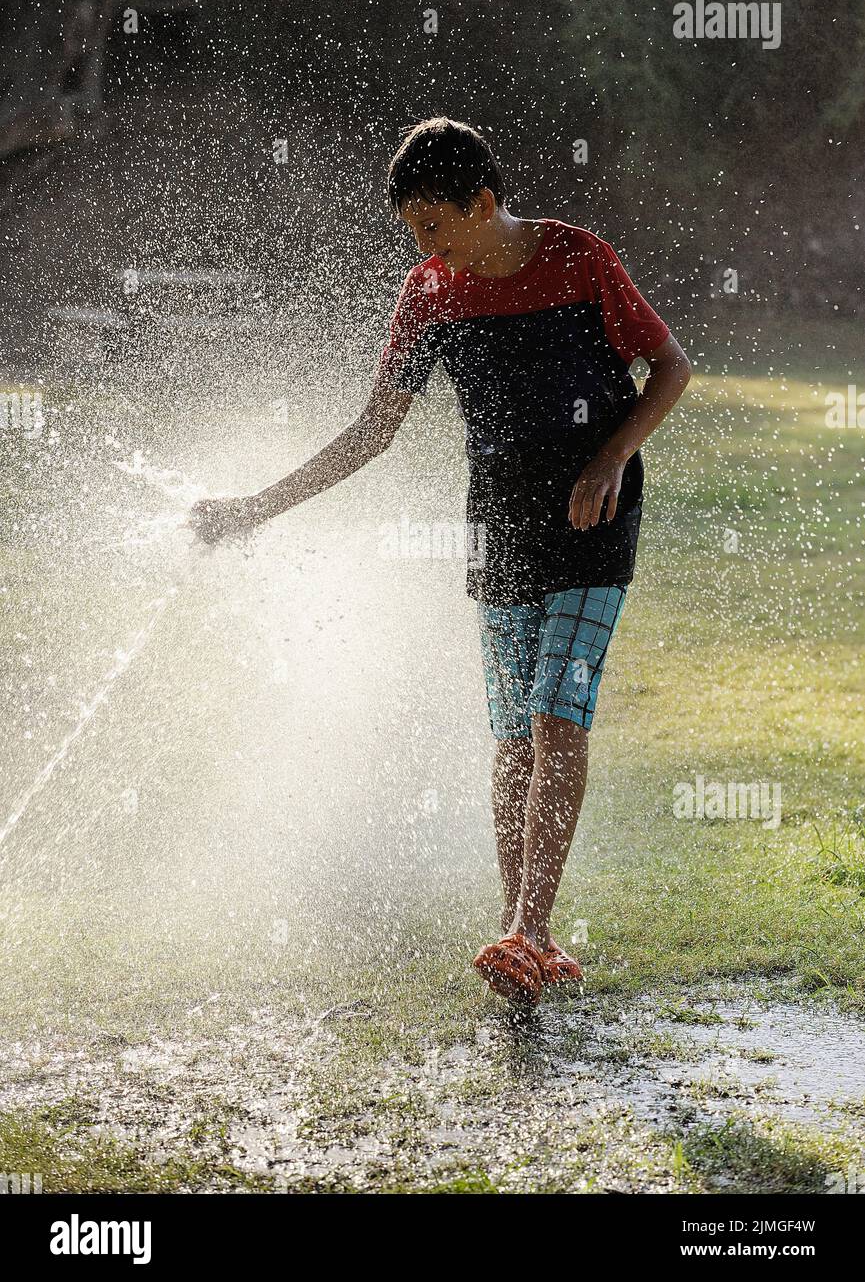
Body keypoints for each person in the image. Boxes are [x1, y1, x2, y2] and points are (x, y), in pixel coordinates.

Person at [190, 116, 691, 1007]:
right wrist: (253, 510)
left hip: (595, 512)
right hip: (498, 524)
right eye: (413, 233)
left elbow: (671, 369)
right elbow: (371, 433)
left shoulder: (579, 260)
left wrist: (609, 456)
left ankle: (530, 930)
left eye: (435, 227)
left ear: (484, 203)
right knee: (510, 742)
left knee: (557, 718)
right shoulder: (427, 294)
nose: (427, 250)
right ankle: (521, 927)